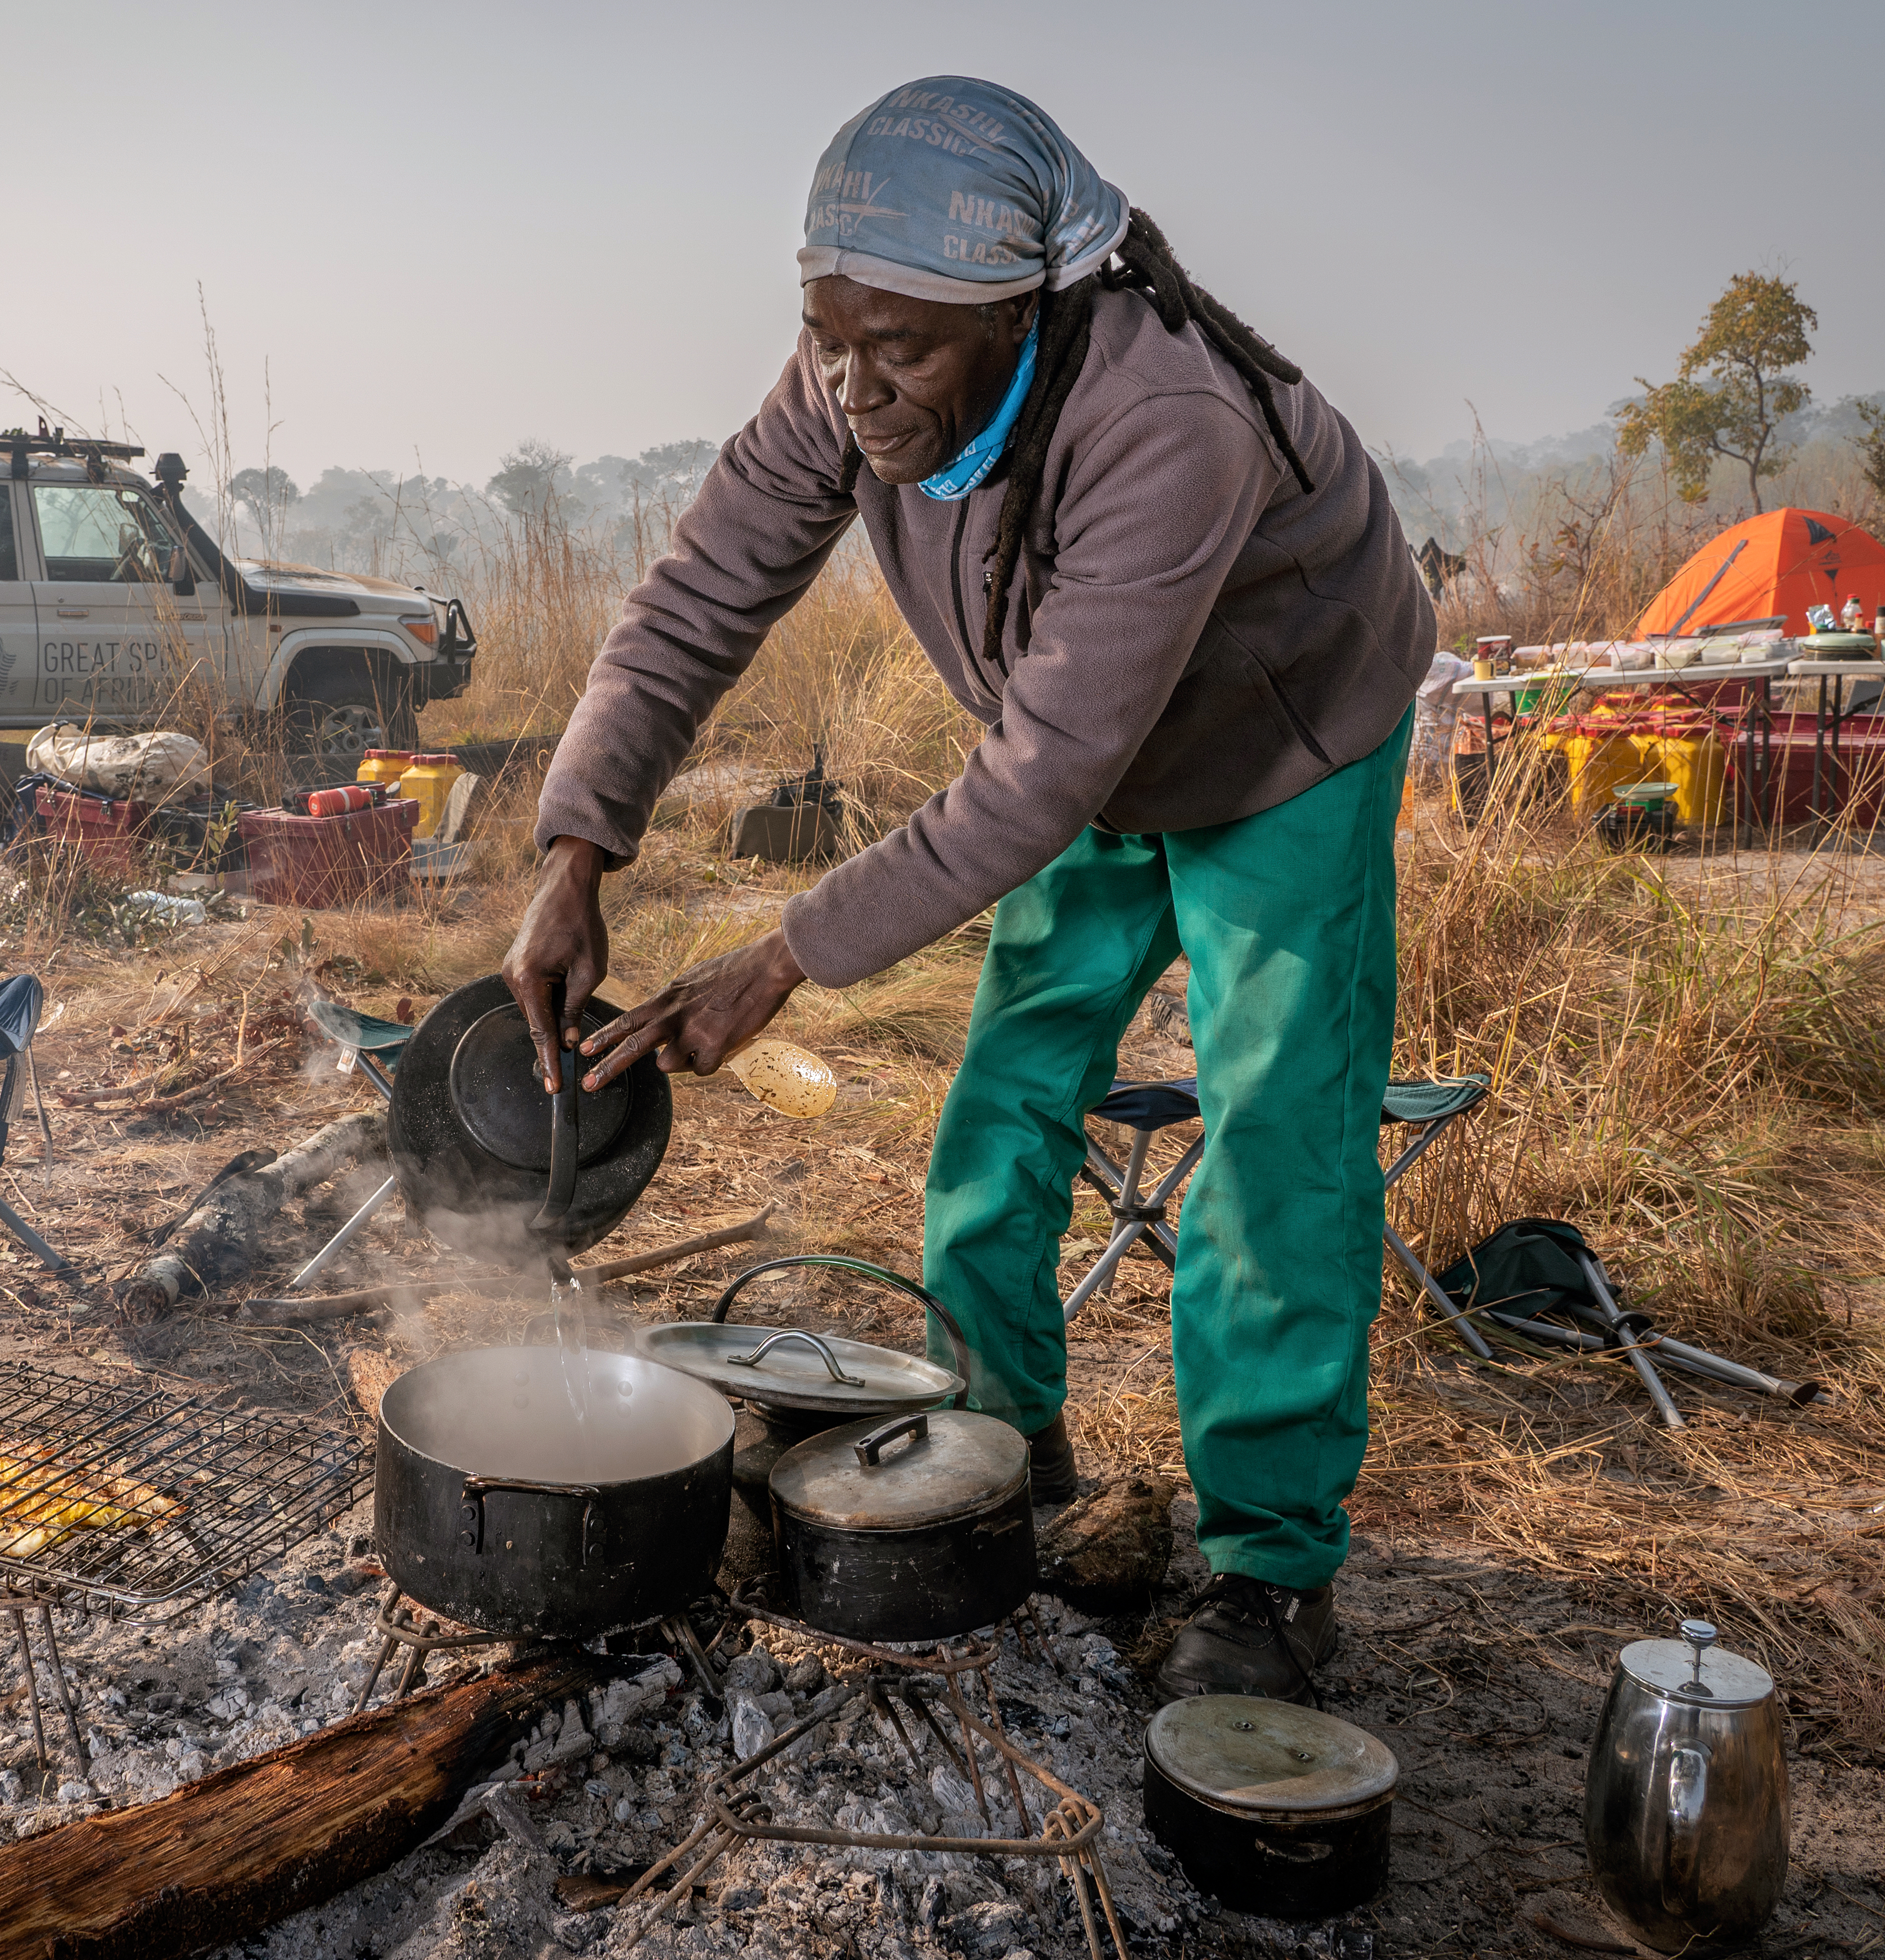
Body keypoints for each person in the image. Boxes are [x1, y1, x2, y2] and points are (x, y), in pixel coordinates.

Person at [503, 77, 1432, 1703]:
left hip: (1286, 735)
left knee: (1274, 1138)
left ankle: (1271, 1567)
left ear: (1024, 310)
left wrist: (781, 956)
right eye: (824, 337)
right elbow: (699, 595)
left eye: (900, 351)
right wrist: (576, 849)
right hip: (1082, 744)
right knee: (1003, 1101)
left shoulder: (1167, 419)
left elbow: (1038, 777)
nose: (852, 387)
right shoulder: (849, 370)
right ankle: (998, 1446)